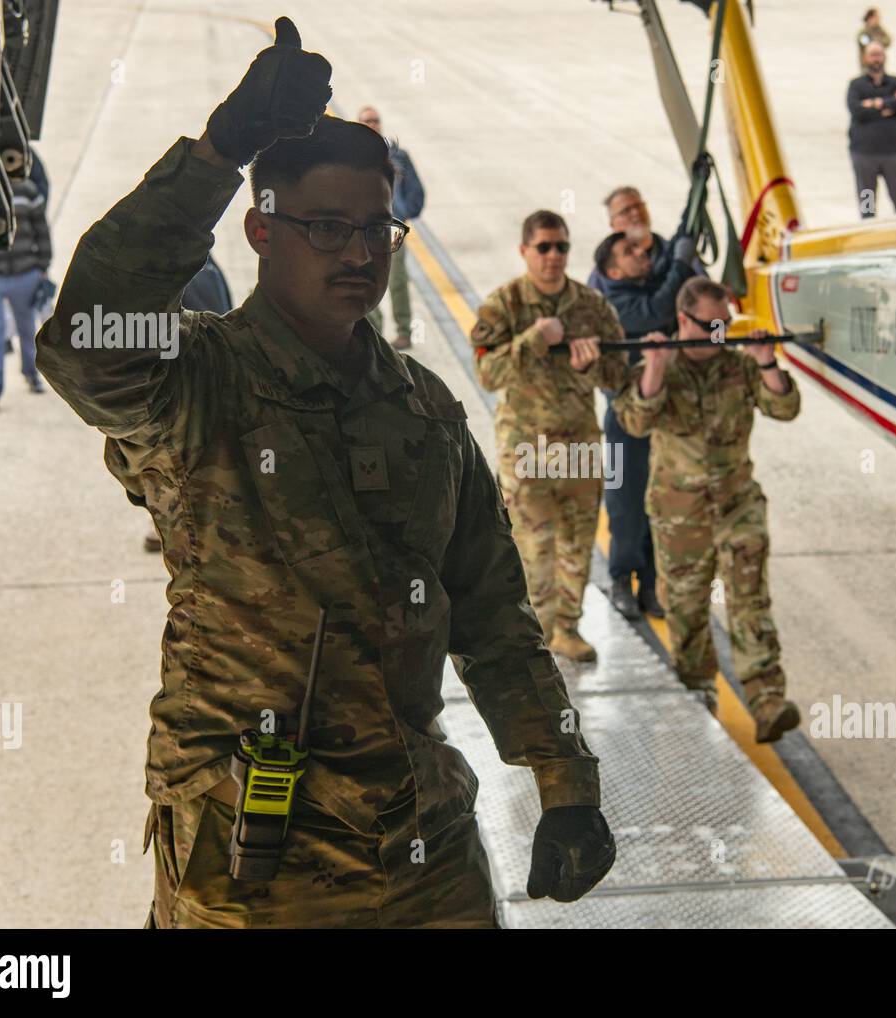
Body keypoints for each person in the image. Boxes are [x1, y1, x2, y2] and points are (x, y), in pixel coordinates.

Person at [36, 18, 614, 929]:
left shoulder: (426, 411)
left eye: (375, 229)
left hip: (420, 839)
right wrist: (222, 149)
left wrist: (565, 779)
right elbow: (82, 345)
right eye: (327, 228)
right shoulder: (196, 385)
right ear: (262, 231)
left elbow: (493, 610)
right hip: (251, 860)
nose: (358, 253)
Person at [613, 278, 802, 743]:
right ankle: (697, 690)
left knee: (749, 599)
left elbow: (786, 407)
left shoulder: (738, 365)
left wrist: (767, 361)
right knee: (686, 606)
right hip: (680, 513)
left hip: (738, 504)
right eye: (709, 325)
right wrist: (655, 367)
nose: (719, 333)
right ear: (683, 320)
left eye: (725, 325)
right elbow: (634, 421)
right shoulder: (658, 366)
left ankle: (766, 700)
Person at [470, 210, 630, 663]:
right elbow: (486, 372)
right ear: (525, 251)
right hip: (529, 449)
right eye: (544, 247)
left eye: (561, 246)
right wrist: (533, 340)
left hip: (579, 446)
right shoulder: (505, 304)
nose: (554, 256)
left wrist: (592, 365)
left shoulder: (592, 305)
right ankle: (533, 636)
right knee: (535, 549)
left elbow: (619, 374)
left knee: (578, 544)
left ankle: (568, 629)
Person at [592, 229, 697, 621]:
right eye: (630, 251)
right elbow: (658, 308)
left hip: (660, 416)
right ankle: (621, 580)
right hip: (623, 419)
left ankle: (650, 585)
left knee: (657, 501)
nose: (642, 253)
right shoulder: (616, 301)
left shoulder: (647, 284)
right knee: (624, 504)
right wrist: (682, 262)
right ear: (612, 268)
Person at [143, 253, 234, 554]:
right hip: (205, 377)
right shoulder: (206, 266)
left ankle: (175, 526)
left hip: (190, 382)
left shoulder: (176, 270)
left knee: (181, 458)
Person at [0, 147, 52, 413]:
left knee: (26, 329)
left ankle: (32, 374)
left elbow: (42, 230)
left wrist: (42, 266)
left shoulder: (28, 191)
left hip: (25, 274)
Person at [357, 105, 424, 350]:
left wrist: (403, 212)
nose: (372, 124)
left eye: (375, 120)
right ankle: (373, 334)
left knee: (396, 281)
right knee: (365, 280)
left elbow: (416, 190)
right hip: (363, 234)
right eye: (366, 121)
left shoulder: (398, 156)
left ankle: (404, 331)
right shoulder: (352, 158)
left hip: (391, 230)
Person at [586, 186, 699, 293]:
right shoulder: (600, 277)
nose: (636, 213)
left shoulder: (680, 253)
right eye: (626, 210)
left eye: (639, 206)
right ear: (613, 224)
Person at [847, 42, 896, 217]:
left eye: (879, 54)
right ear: (865, 58)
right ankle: (868, 230)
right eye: (872, 54)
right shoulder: (856, 85)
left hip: (893, 154)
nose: (876, 58)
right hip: (865, 155)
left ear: (885, 57)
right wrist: (887, 104)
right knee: (867, 204)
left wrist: (873, 103)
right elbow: (856, 109)